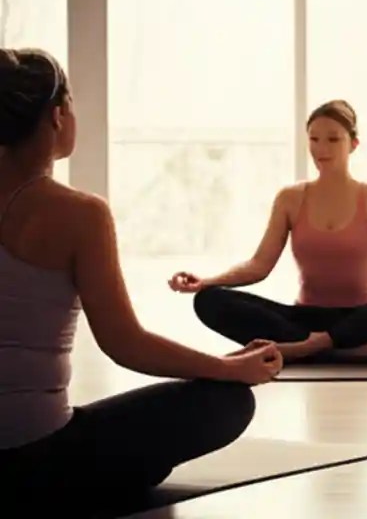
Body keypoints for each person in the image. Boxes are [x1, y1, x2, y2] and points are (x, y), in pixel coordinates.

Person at [0, 49, 280, 514]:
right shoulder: (80, 213)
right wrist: (229, 369)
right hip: (39, 461)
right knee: (228, 402)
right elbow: (125, 344)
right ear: (57, 116)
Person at [170, 100, 367, 365]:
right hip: (301, 322)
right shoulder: (290, 198)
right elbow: (259, 265)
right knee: (209, 300)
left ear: (353, 144)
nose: (321, 148)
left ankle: (311, 349)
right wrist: (206, 282)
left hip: (362, 320)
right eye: (314, 139)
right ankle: (338, 351)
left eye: (333, 139)